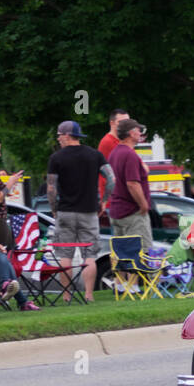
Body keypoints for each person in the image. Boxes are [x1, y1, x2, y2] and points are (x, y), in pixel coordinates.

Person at [48, 120, 112, 303]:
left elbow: (51, 189)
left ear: (67, 136)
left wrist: (54, 209)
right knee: (90, 255)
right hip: (89, 212)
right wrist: (104, 201)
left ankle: (67, 296)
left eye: (59, 135)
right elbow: (112, 178)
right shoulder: (95, 155)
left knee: (65, 256)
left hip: (65, 212)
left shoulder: (56, 158)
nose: (58, 139)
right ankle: (89, 295)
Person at [106, 118, 153, 248]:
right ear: (131, 133)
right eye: (138, 130)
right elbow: (132, 183)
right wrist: (143, 204)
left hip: (117, 211)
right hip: (132, 213)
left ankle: (123, 270)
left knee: (122, 257)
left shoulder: (114, 153)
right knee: (140, 256)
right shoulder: (129, 154)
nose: (140, 133)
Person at [98, 108, 129, 200]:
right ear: (112, 123)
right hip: (113, 197)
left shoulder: (122, 142)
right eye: (121, 122)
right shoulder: (108, 142)